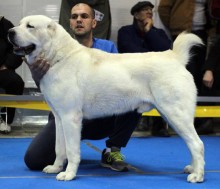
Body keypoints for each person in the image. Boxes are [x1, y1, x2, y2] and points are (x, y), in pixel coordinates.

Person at [24, 3, 139, 172]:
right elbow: (49, 93)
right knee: (34, 160)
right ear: (69, 23)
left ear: (94, 23)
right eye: (74, 17)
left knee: (135, 93)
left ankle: (112, 150)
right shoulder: (50, 51)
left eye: (84, 16)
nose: (79, 20)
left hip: (101, 118)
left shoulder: (108, 48)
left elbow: (121, 83)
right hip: (64, 116)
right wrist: (37, 76)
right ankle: (63, 152)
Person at [117, 1, 172, 137]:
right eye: (145, 10)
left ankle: (159, 124)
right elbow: (128, 51)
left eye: (150, 10)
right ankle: (140, 120)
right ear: (136, 15)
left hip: (156, 76)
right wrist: (154, 56)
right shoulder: (125, 31)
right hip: (133, 75)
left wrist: (149, 31)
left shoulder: (158, 33)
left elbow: (166, 51)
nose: (149, 12)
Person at [158, 0, 213, 134]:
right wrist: (174, 25)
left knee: (201, 75)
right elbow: (163, 8)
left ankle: (199, 121)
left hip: (202, 33)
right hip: (182, 33)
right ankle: (182, 121)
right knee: (186, 76)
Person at [0, 16, 24, 133]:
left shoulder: (6, 25)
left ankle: (5, 119)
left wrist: (6, 65)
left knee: (16, 82)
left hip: (2, 69)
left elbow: (17, 48)